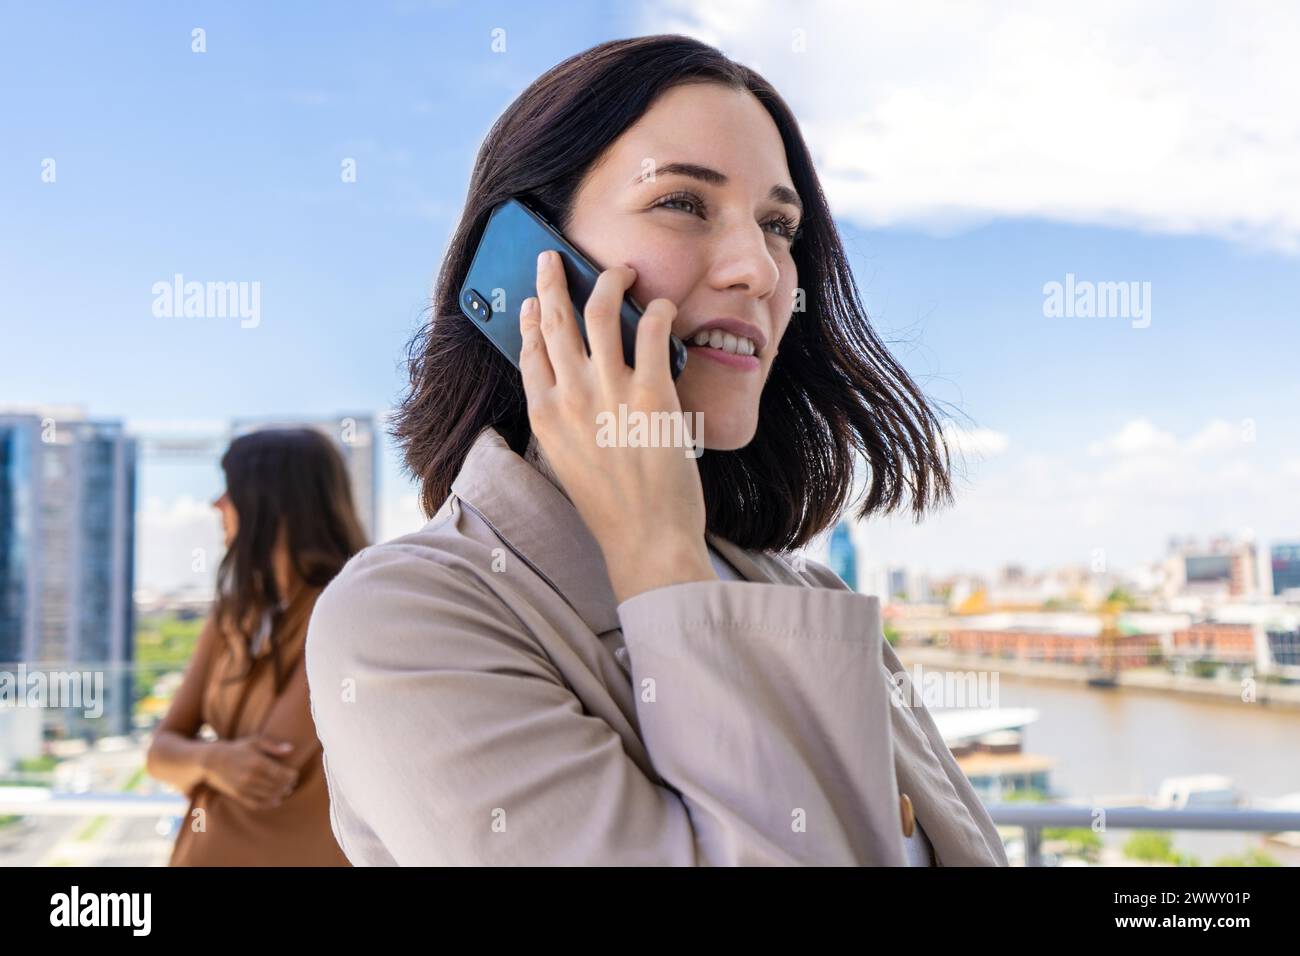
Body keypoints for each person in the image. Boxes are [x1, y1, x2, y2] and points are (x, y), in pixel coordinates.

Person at [306, 34, 1008, 866]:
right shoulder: (407, 619)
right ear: (534, 257)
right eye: (683, 202)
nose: (760, 268)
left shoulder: (798, 586)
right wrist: (654, 555)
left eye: (780, 225)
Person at [147, 427, 367, 866]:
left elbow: (266, 769)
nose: (216, 504)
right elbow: (157, 753)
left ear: (276, 504)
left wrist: (197, 761)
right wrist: (213, 761)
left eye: (232, 490)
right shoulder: (232, 615)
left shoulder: (345, 611)